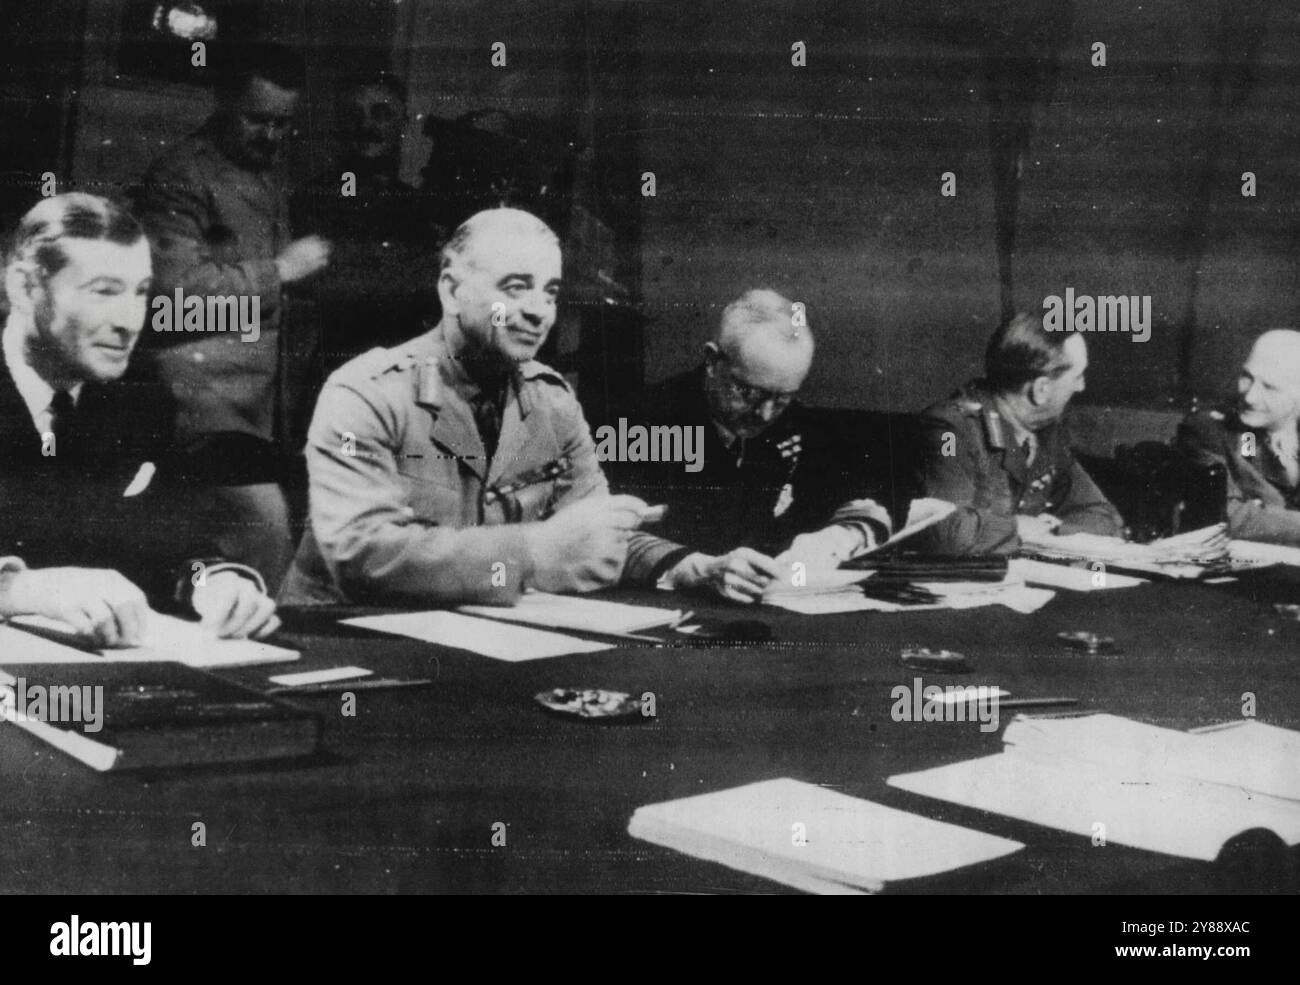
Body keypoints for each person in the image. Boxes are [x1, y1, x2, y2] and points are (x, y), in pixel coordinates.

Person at [280, 207, 653, 606]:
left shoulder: (553, 403)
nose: (539, 310)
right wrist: (534, 548)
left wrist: (689, 566)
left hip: (476, 639)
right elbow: (363, 556)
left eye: (551, 292)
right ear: (452, 291)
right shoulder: (367, 393)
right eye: (515, 287)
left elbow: (588, 534)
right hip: (344, 636)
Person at [0, 193, 279, 646]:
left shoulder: (138, 394)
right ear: (26, 287)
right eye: (104, 292)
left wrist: (214, 583)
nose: (131, 320)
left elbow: (170, 541)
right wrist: (20, 588)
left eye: (141, 292)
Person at [133, 41, 327, 592]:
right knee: (268, 555)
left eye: (283, 123)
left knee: (266, 567)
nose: (272, 136)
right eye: (257, 119)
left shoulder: (265, 174)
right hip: (202, 416)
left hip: (257, 421)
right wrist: (280, 272)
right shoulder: (182, 176)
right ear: (223, 102)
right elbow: (171, 308)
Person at [616, 289, 894, 603]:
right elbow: (605, 536)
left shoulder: (796, 422)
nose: (764, 414)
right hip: (660, 607)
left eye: (782, 398)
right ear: (711, 361)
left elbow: (875, 492)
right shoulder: (641, 422)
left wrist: (839, 538)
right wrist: (694, 568)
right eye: (747, 392)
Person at [919, 311, 1123, 554]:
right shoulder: (949, 431)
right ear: (1041, 390)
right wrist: (1021, 528)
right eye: (1077, 376)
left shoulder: (1045, 433)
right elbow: (948, 533)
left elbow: (1104, 514)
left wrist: (1055, 529)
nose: (1081, 386)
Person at [292, 72, 444, 370]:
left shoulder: (419, 205)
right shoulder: (311, 198)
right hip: (338, 365)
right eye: (353, 115)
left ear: (402, 125)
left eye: (381, 114)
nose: (366, 126)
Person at [1177, 329, 1300, 545]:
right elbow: (1225, 514)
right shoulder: (1211, 429)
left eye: (1270, 387)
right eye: (1247, 377)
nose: (1250, 396)